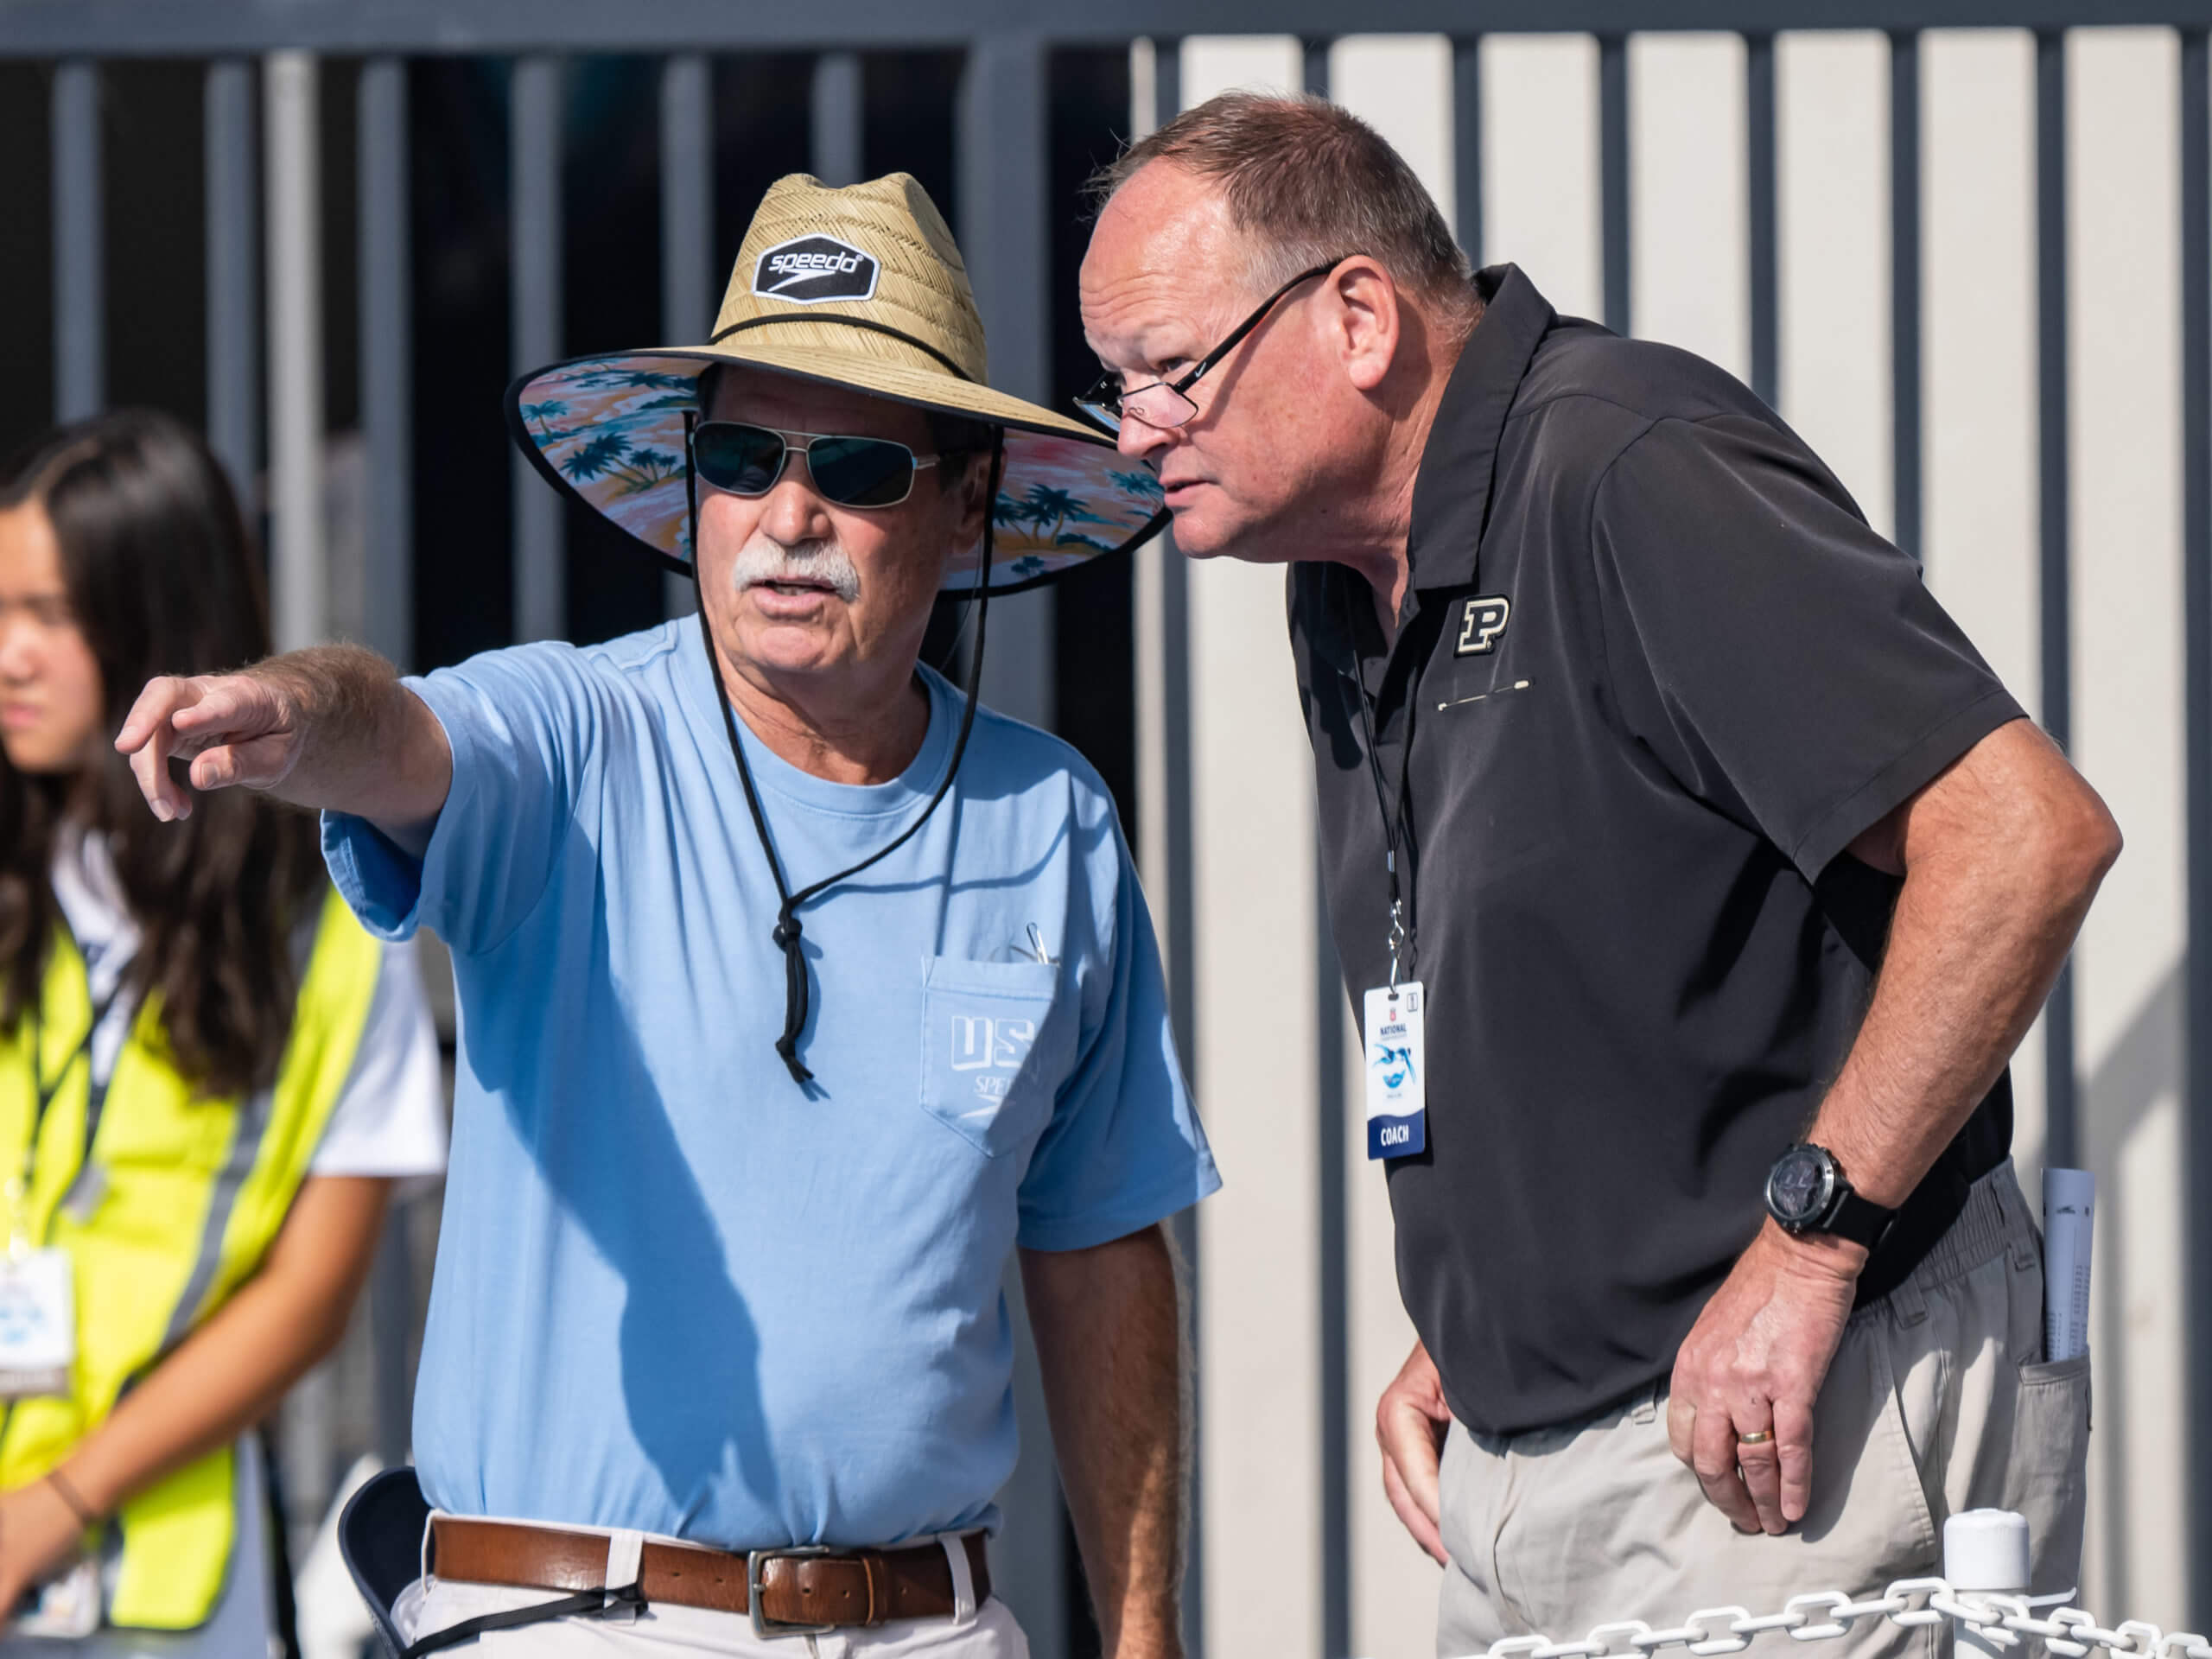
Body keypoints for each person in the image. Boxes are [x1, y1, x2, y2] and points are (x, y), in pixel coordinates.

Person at [118, 172, 1215, 1658]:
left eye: (858, 469)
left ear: (966, 508)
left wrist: (1143, 1637)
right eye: (744, 456)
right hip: (574, 1613)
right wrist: (280, 711)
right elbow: (396, 729)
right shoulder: (574, 735)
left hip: (930, 1624)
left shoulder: (1053, 816)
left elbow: (1096, 1246)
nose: (789, 513)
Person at [1078, 93, 2120, 1654]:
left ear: (1357, 317)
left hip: (1777, 1443)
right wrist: (1495, 1307)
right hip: (1525, 1462)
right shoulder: (1345, 576)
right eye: (1114, 387)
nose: (1132, 430)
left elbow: (2023, 836)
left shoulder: (1626, 467)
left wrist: (1809, 1245)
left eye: (1169, 373)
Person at [0, 410, 448, 1654]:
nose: (8, 655)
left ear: (154, 615)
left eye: (47, 612)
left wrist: (53, 1506)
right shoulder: (15, 872)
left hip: (167, 1586)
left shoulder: (327, 925)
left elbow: (312, 1294)